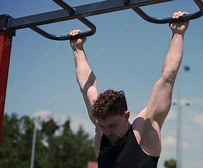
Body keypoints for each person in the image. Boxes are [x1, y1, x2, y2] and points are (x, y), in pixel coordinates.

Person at [69, 11, 189, 168]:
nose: (107, 132)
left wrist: (178, 34)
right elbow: (87, 86)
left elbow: (168, 78)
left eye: (112, 126)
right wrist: (77, 50)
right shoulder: (101, 131)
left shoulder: (144, 131)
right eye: (102, 126)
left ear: (126, 115)